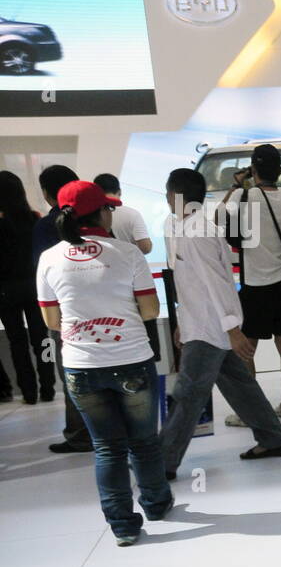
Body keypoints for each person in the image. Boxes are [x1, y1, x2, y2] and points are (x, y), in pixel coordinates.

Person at [36, 180, 170, 546]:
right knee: (144, 443)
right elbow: (150, 310)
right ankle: (157, 504)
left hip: (80, 366)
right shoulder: (127, 253)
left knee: (107, 447)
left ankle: (123, 526)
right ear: (100, 212)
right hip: (131, 360)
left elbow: (51, 321)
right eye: (109, 208)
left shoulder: (48, 258)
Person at [160, 168, 281, 479]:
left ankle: (162, 461)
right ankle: (273, 438)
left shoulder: (197, 232)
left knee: (188, 395)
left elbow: (216, 282)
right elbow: (191, 283)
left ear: (174, 196)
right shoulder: (184, 227)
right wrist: (184, 319)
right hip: (203, 322)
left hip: (210, 327)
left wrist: (232, 328)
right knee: (240, 385)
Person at [220, 144, 281, 423]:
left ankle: (251, 412)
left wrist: (235, 186)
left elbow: (218, 218)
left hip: (253, 285)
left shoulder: (242, 197)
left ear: (253, 170)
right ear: (280, 170)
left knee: (247, 351)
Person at [32, 164, 93, 452]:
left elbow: (43, 273)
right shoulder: (92, 219)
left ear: (46, 193)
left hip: (67, 314)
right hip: (104, 309)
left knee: (72, 374)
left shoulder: (46, 226)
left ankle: (81, 434)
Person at [0, 170, 56, 404]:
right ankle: (48, 387)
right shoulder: (35, 219)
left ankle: (28, 391)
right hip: (35, 288)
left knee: (17, 342)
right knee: (42, 339)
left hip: (6, 291)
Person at [92, 174, 151, 254]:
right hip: (127, 263)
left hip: (97, 262)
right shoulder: (132, 214)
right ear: (119, 192)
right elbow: (146, 248)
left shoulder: (90, 214)